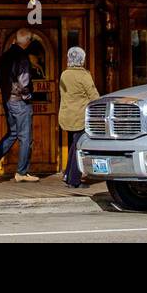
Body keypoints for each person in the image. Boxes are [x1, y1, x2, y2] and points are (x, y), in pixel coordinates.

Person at [0, 29, 39, 182]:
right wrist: (28, 97)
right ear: (27, 42)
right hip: (20, 101)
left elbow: (0, 78)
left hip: (8, 99)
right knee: (25, 137)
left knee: (13, 133)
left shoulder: (6, 55)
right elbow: (24, 82)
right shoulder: (22, 58)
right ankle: (22, 172)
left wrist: (7, 94)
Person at [58, 46, 99, 188]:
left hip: (66, 115)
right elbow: (94, 96)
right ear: (82, 60)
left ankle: (67, 174)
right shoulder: (84, 75)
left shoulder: (64, 74)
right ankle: (74, 180)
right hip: (80, 117)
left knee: (74, 144)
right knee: (78, 147)